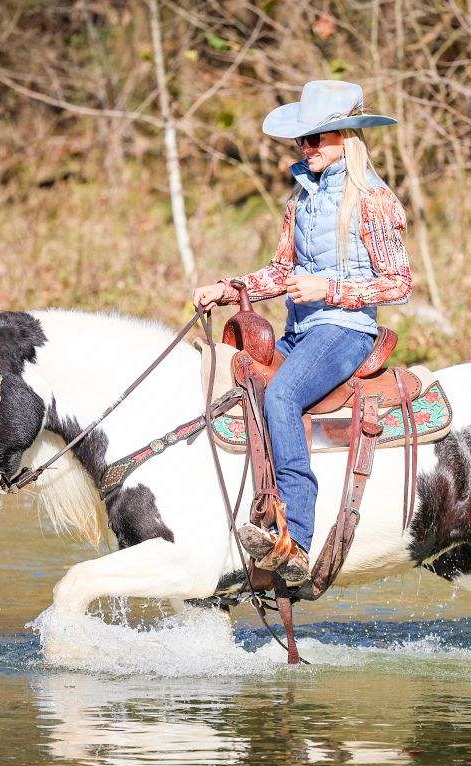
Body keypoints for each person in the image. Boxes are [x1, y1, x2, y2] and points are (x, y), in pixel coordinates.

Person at [193, 80, 412, 585]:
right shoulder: (302, 200)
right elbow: (279, 272)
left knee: (284, 396)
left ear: (345, 140)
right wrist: (228, 288)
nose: (305, 149)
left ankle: (298, 538)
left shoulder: (374, 201)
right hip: (302, 331)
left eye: (316, 140)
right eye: (301, 141)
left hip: (347, 331)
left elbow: (399, 283)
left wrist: (329, 288)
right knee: (234, 382)